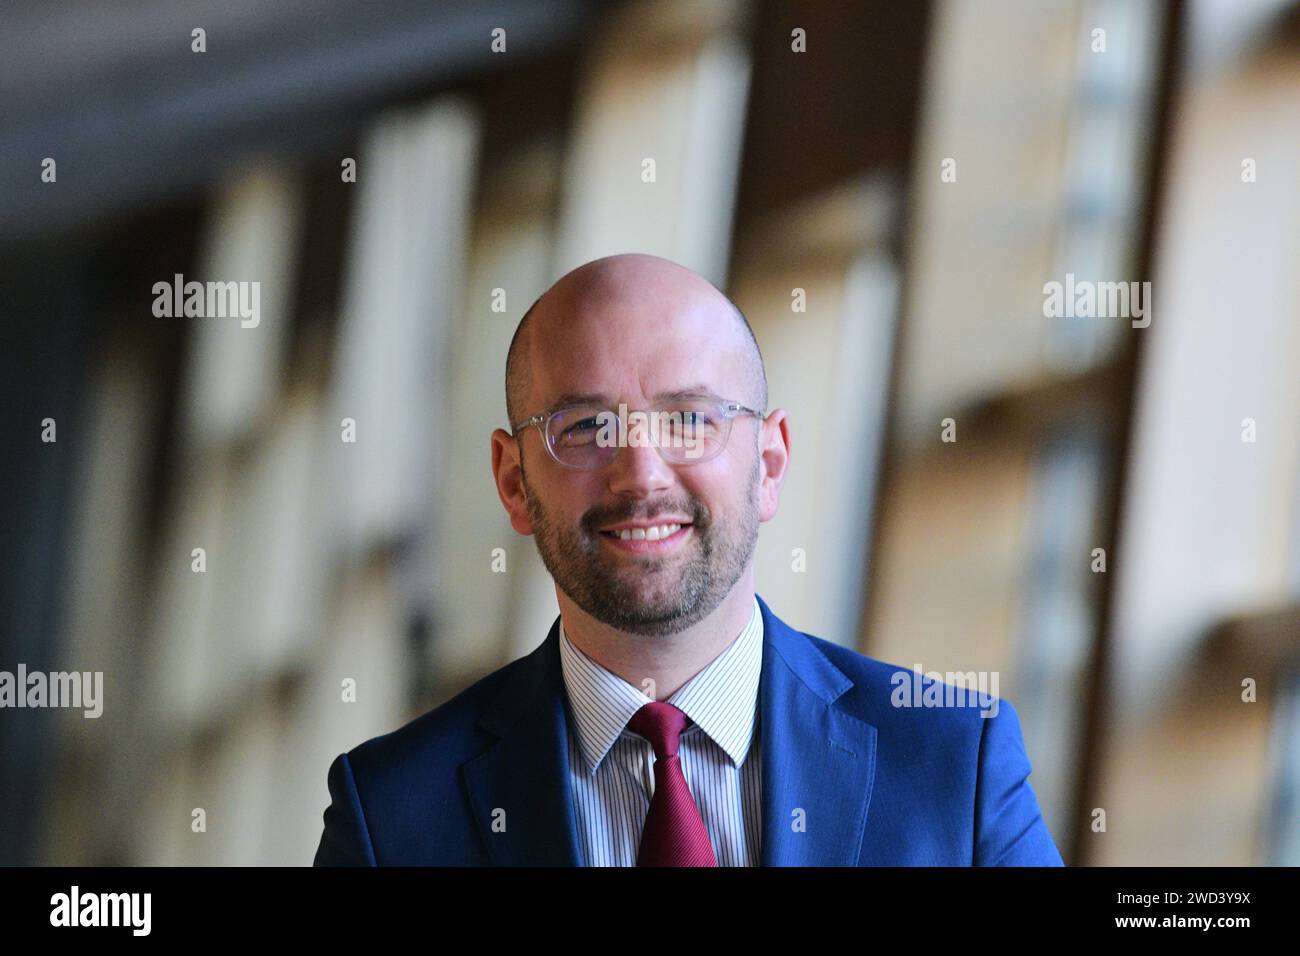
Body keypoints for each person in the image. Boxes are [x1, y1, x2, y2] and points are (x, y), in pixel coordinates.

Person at [313, 252, 1064, 866]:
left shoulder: (953, 765)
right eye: (584, 428)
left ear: (768, 464)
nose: (640, 474)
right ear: (514, 482)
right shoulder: (392, 814)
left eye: (689, 420)